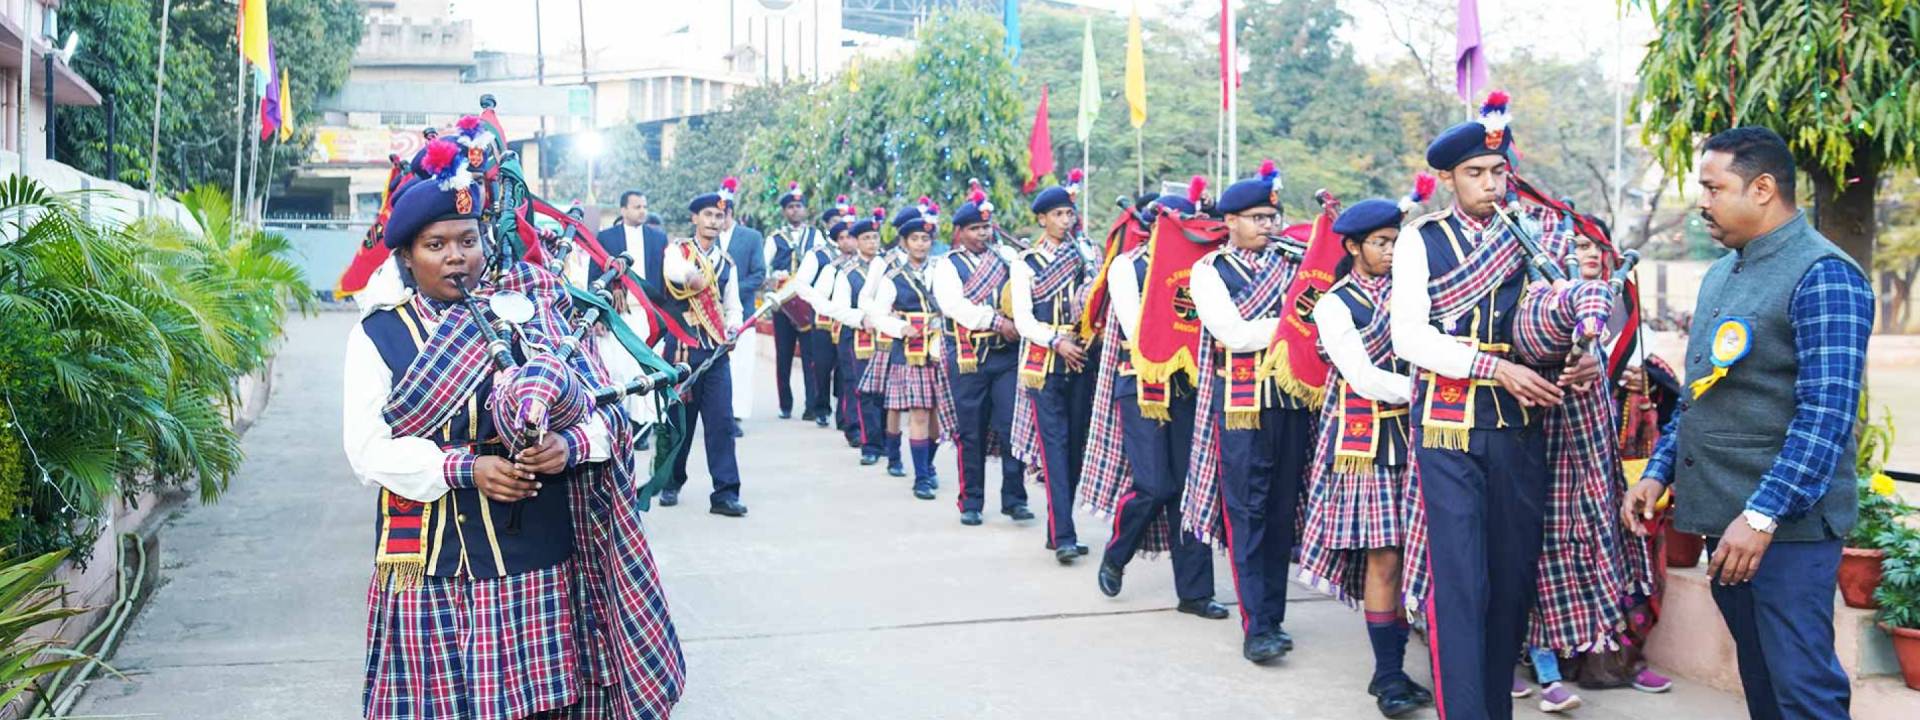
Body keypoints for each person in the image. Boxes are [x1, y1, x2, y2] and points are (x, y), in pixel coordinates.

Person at [345, 144, 626, 718]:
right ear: (405, 258)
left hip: (535, 561)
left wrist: (567, 447)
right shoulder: (377, 336)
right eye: (436, 245)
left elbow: (611, 413)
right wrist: (467, 469)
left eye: (468, 241)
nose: (456, 257)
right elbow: (366, 451)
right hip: (431, 568)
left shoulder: (533, 316)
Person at [1624, 126, 1871, 720]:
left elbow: (1826, 417)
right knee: (1762, 686)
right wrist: (1658, 471)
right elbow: (1702, 396)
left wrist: (1761, 517)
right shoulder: (1723, 273)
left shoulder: (1824, 274)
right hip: (1729, 525)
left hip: (1786, 531)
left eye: (1714, 188)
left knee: (1803, 692)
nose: (1702, 202)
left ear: (1762, 189)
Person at [1389, 91, 1600, 720]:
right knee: (1461, 585)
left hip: (1520, 428)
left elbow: (1558, 314)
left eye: (1498, 171)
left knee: (1511, 582)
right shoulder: (1421, 240)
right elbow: (1409, 338)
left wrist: (1584, 356)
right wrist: (1493, 367)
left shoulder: (1535, 237)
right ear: (1448, 180)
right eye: (1475, 173)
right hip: (1448, 430)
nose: (1490, 184)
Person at [1298, 179, 1436, 716]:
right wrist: (1430, 388)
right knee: (1386, 556)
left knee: (1419, 553)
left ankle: (1398, 669)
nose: (1391, 251)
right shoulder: (1335, 305)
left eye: (1396, 241)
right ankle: (1389, 673)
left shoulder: (1417, 291)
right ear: (1353, 246)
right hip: (1369, 441)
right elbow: (1363, 376)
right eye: (1380, 242)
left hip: (1424, 433)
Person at [1180, 159, 1317, 664]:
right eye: (1257, 218)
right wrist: (1291, 329)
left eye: (1271, 217)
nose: (1268, 226)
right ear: (1230, 222)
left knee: (1281, 511)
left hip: (1289, 401)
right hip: (1240, 406)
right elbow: (1232, 334)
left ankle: (1273, 617)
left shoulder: (1293, 262)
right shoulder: (1209, 271)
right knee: (1247, 513)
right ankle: (1256, 625)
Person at [1087, 183, 1228, 620]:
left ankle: (1195, 592)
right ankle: (1117, 552)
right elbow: (1137, 328)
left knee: (1189, 487)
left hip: (1187, 384)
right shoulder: (1127, 266)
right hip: (1141, 383)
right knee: (1153, 485)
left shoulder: (1203, 269)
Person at [931, 187, 1032, 526]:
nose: (982, 234)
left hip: (1006, 356)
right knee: (970, 431)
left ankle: (1015, 498)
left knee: (1011, 426)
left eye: (986, 227)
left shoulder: (1007, 257)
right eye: (975, 229)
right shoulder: (947, 265)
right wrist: (995, 321)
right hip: (968, 356)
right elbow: (954, 306)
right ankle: (971, 501)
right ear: (960, 232)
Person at [1009, 170, 1095, 563]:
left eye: (1069, 214)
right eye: (1058, 214)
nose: (1065, 220)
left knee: (1075, 447)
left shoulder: (1086, 254)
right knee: (1055, 448)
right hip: (1044, 362)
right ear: (1042, 218)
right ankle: (1064, 535)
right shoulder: (1025, 262)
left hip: (1081, 358)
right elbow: (1024, 319)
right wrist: (1056, 341)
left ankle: (1057, 529)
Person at [659, 177, 751, 517]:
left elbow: (733, 306)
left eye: (719, 216)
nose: (714, 221)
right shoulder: (678, 251)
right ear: (695, 218)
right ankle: (670, 481)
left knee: (721, 423)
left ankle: (725, 494)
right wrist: (693, 276)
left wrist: (733, 328)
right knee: (678, 422)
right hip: (682, 351)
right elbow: (675, 271)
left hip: (715, 352)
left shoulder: (728, 263)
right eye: (708, 215)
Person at [867, 203, 947, 499]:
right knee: (917, 412)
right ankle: (920, 477)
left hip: (939, 349)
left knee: (937, 419)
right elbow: (877, 313)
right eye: (915, 239)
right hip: (908, 350)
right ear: (904, 242)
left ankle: (928, 464)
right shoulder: (893, 276)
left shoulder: (942, 270)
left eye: (925, 239)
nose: (921, 244)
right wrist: (901, 328)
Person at [826, 207, 889, 463]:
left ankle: (885, 439)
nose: (872, 242)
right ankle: (867, 442)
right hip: (858, 335)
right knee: (861, 388)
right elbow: (840, 309)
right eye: (866, 238)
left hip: (887, 336)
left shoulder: (889, 268)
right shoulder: (847, 272)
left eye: (875, 237)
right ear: (856, 241)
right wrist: (862, 318)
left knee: (886, 389)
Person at [792, 197, 854, 428]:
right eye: (842, 233)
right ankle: (821, 407)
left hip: (848, 319)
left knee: (846, 367)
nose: (847, 239)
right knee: (822, 365)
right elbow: (801, 284)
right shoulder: (819, 254)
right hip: (824, 319)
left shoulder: (862, 258)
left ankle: (844, 414)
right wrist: (819, 303)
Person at [768, 183, 826, 421]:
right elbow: (764, 267)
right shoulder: (775, 238)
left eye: (798, 206)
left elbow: (824, 263)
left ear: (805, 210)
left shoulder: (816, 235)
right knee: (783, 355)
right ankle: (785, 405)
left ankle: (812, 406)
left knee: (811, 357)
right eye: (790, 207)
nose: (795, 210)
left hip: (807, 303)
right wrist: (773, 279)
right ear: (784, 211)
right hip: (783, 305)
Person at [723, 207, 766, 435]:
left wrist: (729, 290)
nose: (715, 220)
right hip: (709, 313)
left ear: (730, 212)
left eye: (720, 215)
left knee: (741, 366)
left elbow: (758, 274)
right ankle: (719, 413)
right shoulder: (702, 238)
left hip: (743, 311)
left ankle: (736, 415)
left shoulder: (751, 237)